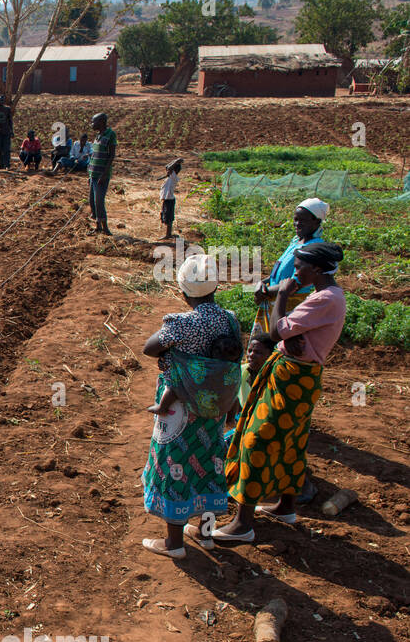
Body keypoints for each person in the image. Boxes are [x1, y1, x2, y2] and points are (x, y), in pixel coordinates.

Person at [214, 241, 347, 543]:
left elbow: (276, 331)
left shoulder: (324, 299)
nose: (295, 271)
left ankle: (242, 524)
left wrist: (283, 294)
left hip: (292, 377)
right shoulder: (329, 296)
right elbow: (290, 333)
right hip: (300, 375)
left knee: (255, 439)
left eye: (299, 266)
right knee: (291, 440)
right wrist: (291, 336)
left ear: (315, 268)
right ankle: (286, 506)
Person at [140, 253, 243, 559]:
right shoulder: (229, 319)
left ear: (183, 292)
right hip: (215, 405)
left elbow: (149, 348)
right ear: (215, 287)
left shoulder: (182, 323)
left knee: (174, 464)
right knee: (210, 463)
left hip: (182, 405)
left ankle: (173, 544)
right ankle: (206, 533)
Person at [251, 198, 328, 340]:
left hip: (288, 303)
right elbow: (279, 271)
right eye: (296, 219)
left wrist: (266, 292)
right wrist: (262, 283)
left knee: (276, 340)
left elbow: (295, 283)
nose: (297, 224)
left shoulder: (314, 247)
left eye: (302, 221)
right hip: (275, 296)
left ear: (317, 222)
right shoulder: (296, 240)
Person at [88, 112, 117, 235]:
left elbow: (111, 155)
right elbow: (94, 156)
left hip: (101, 174)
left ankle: (105, 228)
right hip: (93, 173)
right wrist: (89, 174)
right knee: (92, 201)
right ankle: (98, 226)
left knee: (99, 200)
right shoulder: (98, 136)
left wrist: (104, 174)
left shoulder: (110, 135)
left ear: (101, 122)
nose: (92, 124)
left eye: (94, 122)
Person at [159, 158, 182, 239]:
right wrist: (175, 161)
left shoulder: (173, 177)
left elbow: (169, 168)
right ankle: (168, 234)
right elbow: (167, 167)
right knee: (166, 216)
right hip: (167, 200)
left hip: (169, 200)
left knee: (169, 218)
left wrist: (177, 161)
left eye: (169, 170)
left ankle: (168, 235)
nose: (167, 171)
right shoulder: (171, 176)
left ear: (173, 171)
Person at [0, 95, 14, 169]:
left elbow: (10, 121)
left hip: (6, 131)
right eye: (0, 100)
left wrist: (11, 131)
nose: (1, 102)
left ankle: (7, 164)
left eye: (2, 101)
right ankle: (0, 164)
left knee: (6, 149)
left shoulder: (7, 109)